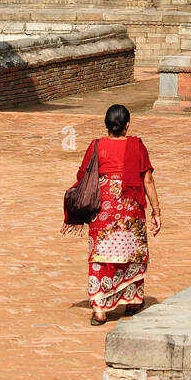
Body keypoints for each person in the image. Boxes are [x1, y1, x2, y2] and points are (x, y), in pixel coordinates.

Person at [70, 104, 161, 326]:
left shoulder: (96, 145)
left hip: (104, 206)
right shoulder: (136, 145)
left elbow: (83, 174)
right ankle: (132, 300)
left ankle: (99, 309)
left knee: (101, 252)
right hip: (130, 203)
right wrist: (156, 210)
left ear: (107, 125)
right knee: (131, 251)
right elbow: (147, 180)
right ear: (127, 125)